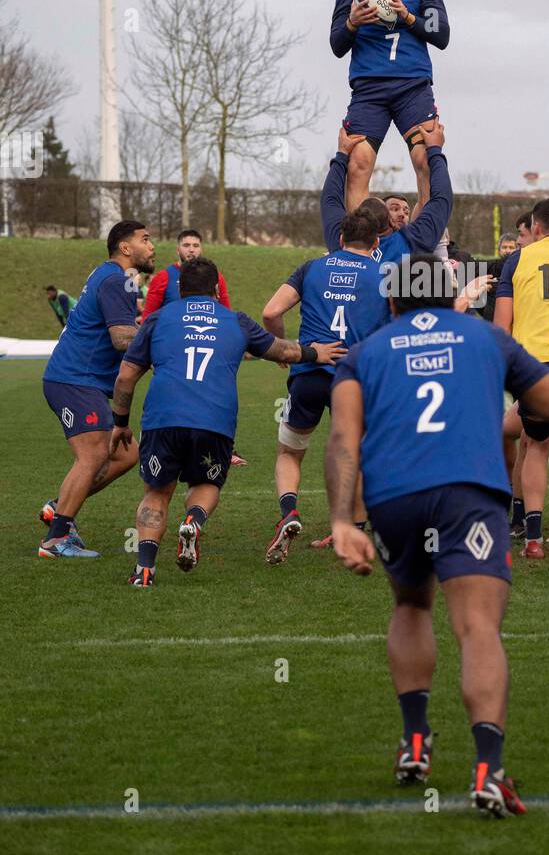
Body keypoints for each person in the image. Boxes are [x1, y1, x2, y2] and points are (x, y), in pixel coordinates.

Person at [325, 253, 549, 817]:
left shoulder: (364, 354)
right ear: (455, 296)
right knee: (477, 628)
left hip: (394, 496)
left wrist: (339, 520)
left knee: (410, 605)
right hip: (469, 493)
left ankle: (416, 740)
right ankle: (488, 770)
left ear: (394, 301)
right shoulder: (485, 340)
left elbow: (342, 441)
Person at [110, 257, 346, 587]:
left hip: (163, 419)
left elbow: (125, 377)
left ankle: (144, 570)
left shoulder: (158, 319)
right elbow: (280, 350)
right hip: (214, 421)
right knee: (206, 485)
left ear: (180, 288)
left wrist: (120, 422)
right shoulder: (236, 320)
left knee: (157, 492)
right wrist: (314, 353)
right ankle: (192, 521)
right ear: (218, 289)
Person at [260, 209, 389, 564]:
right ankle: (354, 531)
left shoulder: (312, 268)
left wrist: (285, 350)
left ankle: (289, 512)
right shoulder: (385, 274)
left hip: (310, 372)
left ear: (341, 239)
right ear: (377, 242)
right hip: (355, 378)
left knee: (290, 451)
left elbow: (271, 312)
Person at [40, 221, 156, 558]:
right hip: (75, 378)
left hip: (79, 379)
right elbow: (121, 338)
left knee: (126, 453)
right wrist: (163, 337)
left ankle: (60, 507)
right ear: (125, 247)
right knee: (92, 455)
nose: (151, 246)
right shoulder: (116, 279)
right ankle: (56, 538)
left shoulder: (114, 276)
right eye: (144, 240)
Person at [329, 0, 450, 209]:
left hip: (413, 87)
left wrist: (408, 16)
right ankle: (359, 249)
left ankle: (425, 246)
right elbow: (336, 45)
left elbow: (441, 35)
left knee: (427, 160)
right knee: (357, 164)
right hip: (369, 90)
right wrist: (352, 23)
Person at [494, 198, 549, 558]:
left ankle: (533, 537)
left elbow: (501, 325)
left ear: (536, 228)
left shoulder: (518, 260)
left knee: (537, 445)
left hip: (534, 367)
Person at [142, 229, 246, 467]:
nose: (191, 249)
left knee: (217, 395)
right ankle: (165, 446)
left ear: (202, 249)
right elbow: (148, 319)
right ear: (178, 249)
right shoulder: (163, 278)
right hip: (174, 353)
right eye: (186, 245)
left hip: (208, 346)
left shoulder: (215, 277)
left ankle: (225, 447)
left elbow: (227, 314)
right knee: (172, 397)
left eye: (196, 245)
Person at [321, 120, 452, 264]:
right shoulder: (411, 241)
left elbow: (330, 200)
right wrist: (434, 150)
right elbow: (441, 199)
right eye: (394, 208)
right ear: (391, 222)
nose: (402, 214)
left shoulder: (343, 246)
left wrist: (342, 155)